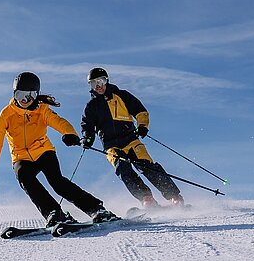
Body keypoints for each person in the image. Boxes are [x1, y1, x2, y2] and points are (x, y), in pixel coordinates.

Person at [0, 71, 116, 226]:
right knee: (25, 178)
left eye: (29, 96)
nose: (24, 100)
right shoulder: (6, 114)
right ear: (14, 94)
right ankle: (54, 213)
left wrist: (70, 133)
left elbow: (60, 122)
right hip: (21, 157)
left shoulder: (42, 110)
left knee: (57, 182)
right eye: (19, 95)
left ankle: (96, 209)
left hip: (44, 151)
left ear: (36, 95)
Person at [79, 67, 184, 208]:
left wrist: (142, 126)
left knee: (147, 166)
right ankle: (147, 198)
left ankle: (174, 196)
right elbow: (87, 125)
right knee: (123, 169)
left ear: (107, 81)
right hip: (111, 146)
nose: (98, 86)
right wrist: (87, 138)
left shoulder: (121, 95)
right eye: (93, 83)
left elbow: (140, 111)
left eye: (100, 81)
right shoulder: (92, 106)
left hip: (130, 140)